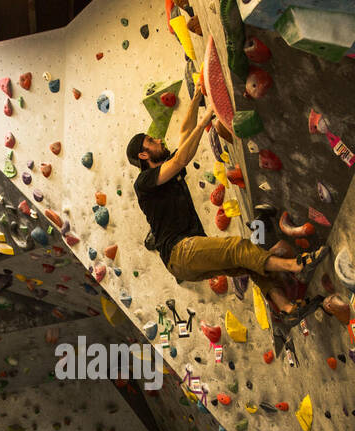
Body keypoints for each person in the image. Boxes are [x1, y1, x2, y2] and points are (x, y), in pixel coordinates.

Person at [127, 86, 324, 324]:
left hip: (185, 259)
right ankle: (295, 266)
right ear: (143, 156)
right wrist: (206, 119)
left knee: (248, 261)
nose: (158, 140)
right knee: (238, 247)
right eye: (151, 141)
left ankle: (286, 309)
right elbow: (181, 158)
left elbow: (184, 131)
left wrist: (198, 95)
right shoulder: (144, 182)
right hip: (179, 252)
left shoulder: (164, 171)